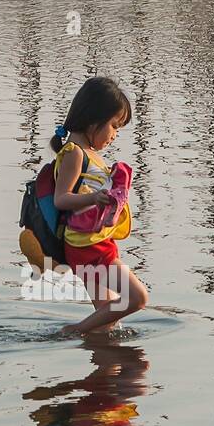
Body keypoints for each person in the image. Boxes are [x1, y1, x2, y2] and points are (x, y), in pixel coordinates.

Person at [50, 77, 149, 336]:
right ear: (94, 121)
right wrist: (94, 198)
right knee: (137, 298)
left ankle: (103, 368)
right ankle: (73, 330)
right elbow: (61, 199)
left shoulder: (90, 153)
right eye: (114, 126)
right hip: (87, 247)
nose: (115, 135)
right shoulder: (74, 153)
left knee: (105, 325)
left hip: (94, 243)